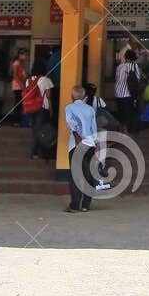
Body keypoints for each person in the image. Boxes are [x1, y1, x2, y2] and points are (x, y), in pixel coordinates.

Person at [63, 85, 98, 214]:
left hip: (75, 145)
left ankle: (74, 205)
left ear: (72, 96)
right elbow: (94, 129)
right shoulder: (90, 109)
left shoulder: (69, 108)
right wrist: (96, 144)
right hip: (89, 144)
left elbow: (71, 122)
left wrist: (77, 135)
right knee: (89, 175)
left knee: (75, 175)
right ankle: (86, 205)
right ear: (84, 96)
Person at [24, 67, 51, 157]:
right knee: (41, 130)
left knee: (35, 129)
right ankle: (38, 152)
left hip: (31, 108)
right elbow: (48, 95)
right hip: (42, 108)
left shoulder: (28, 80)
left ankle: (35, 151)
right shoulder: (46, 80)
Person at [114, 48, 142, 134]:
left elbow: (117, 78)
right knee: (128, 112)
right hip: (128, 93)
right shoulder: (134, 66)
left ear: (126, 58)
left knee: (121, 112)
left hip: (118, 92)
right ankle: (126, 131)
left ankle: (121, 129)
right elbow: (138, 79)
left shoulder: (119, 66)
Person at [9, 48, 30, 123]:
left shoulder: (22, 63)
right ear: (20, 55)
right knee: (18, 102)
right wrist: (21, 85)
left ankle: (20, 119)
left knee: (21, 103)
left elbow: (23, 74)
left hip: (22, 84)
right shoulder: (16, 63)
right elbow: (15, 75)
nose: (26, 57)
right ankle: (16, 121)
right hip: (17, 85)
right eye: (25, 55)